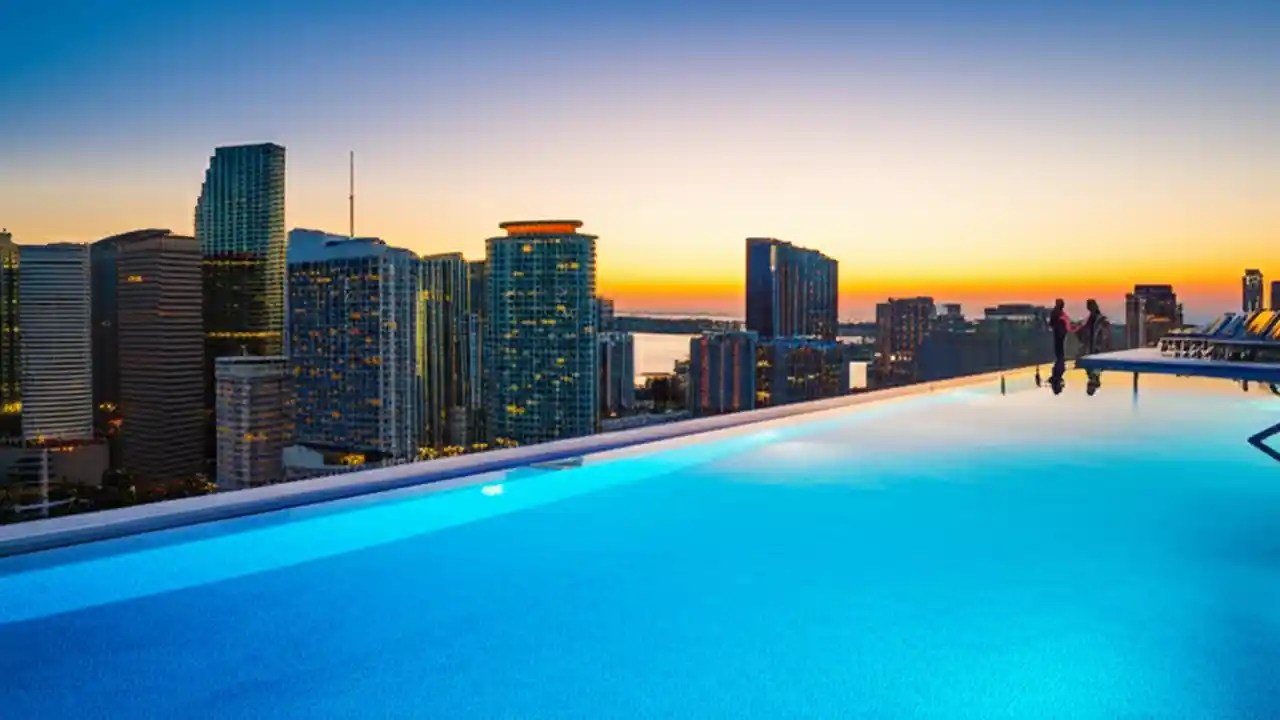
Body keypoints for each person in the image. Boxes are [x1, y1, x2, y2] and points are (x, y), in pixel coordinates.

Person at [1047, 298, 1070, 363]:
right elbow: (1052, 322)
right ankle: (1060, 358)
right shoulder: (1057, 312)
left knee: (1060, 345)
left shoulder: (1058, 312)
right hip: (1058, 331)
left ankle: (1060, 358)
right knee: (1059, 346)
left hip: (1060, 332)